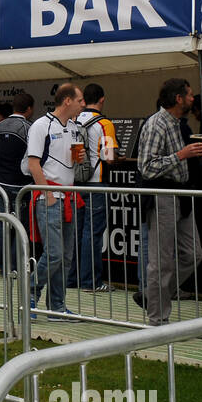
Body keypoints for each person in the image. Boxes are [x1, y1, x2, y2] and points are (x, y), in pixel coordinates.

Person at [137, 78, 202, 327]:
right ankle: (157, 319)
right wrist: (181, 155)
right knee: (162, 261)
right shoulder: (156, 124)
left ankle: (151, 296)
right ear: (178, 98)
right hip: (163, 195)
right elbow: (146, 167)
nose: (192, 99)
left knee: (193, 254)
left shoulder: (177, 124)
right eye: (189, 95)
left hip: (181, 195)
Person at [26, 84, 86, 318]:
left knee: (66, 256)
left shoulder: (74, 127)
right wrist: (47, 193)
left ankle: (57, 306)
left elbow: (69, 161)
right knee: (53, 254)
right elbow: (33, 163)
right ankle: (30, 293)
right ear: (68, 101)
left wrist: (77, 157)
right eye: (80, 101)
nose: (83, 105)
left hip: (69, 196)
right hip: (49, 195)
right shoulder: (41, 125)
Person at [71, 83, 118, 292]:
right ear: (102, 99)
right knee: (93, 233)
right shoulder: (105, 123)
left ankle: (72, 278)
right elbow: (108, 158)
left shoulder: (73, 120)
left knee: (76, 232)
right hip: (97, 183)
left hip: (76, 182)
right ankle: (91, 282)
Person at [0, 92, 35, 268]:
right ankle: (15, 267)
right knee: (20, 227)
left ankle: (4, 267)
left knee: (3, 225)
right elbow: (29, 161)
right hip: (20, 184)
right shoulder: (29, 128)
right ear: (29, 109)